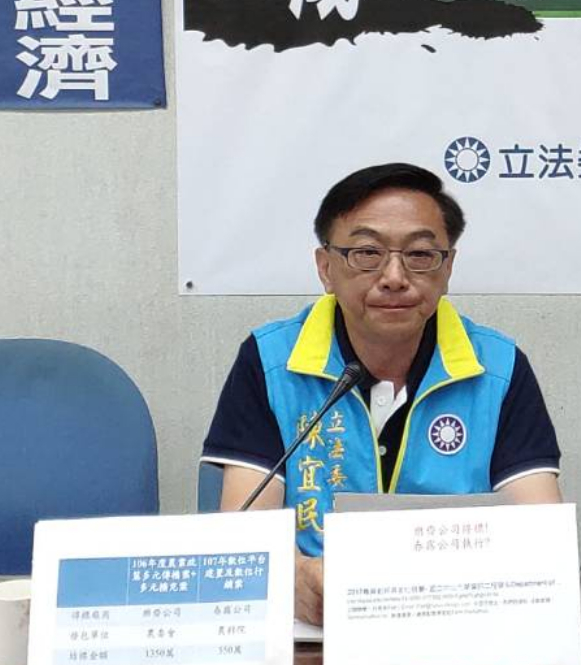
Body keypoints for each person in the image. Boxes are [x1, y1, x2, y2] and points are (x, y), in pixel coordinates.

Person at [202, 161, 562, 623]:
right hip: (312, 632)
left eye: (420, 255)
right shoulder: (271, 360)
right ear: (325, 268)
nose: (394, 276)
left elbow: (539, 538)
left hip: (458, 624)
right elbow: (244, 532)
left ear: (448, 268)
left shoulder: (498, 367)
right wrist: (295, 580)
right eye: (367, 253)